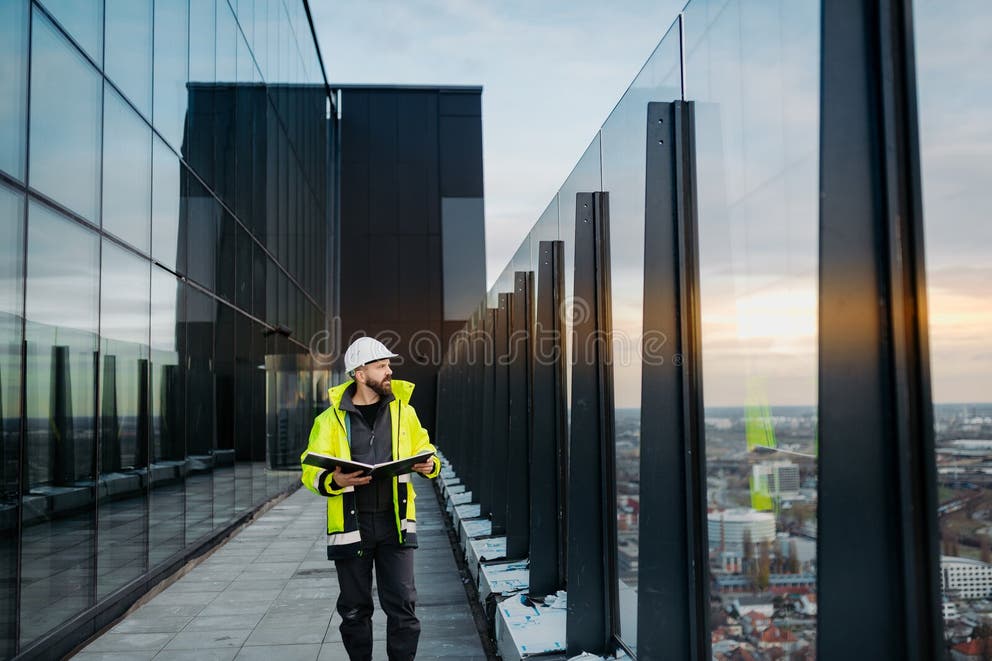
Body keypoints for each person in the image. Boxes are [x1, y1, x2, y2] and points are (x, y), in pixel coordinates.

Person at [301, 336, 440, 661]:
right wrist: (333, 479)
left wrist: (429, 463)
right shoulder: (328, 421)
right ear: (360, 374)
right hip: (352, 528)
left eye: (388, 365)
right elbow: (308, 469)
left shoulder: (405, 412)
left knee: (404, 611)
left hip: (397, 526)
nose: (389, 371)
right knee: (353, 611)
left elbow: (426, 447)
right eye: (381, 366)